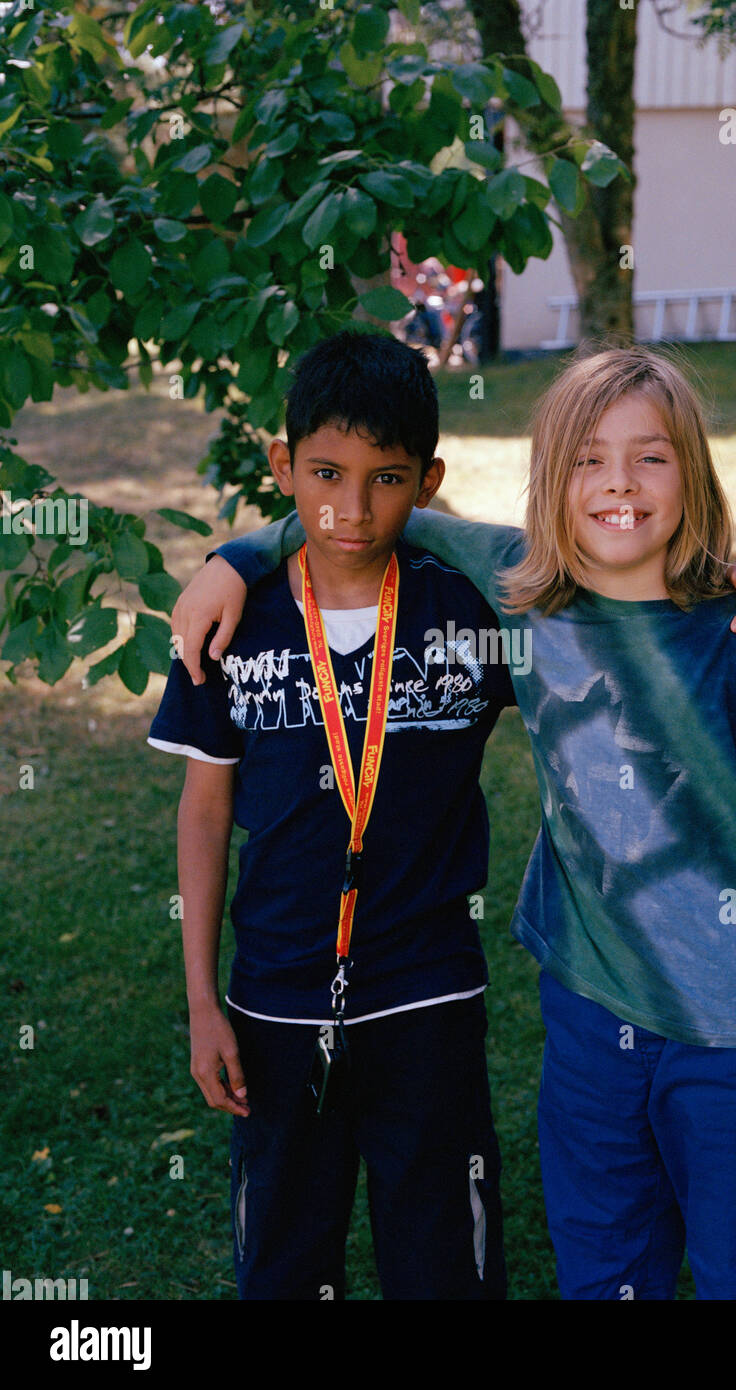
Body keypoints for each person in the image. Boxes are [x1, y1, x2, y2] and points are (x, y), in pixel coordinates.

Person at [171, 343, 736, 1302]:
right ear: (547, 484)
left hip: (732, 1035)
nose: (617, 485)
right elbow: (375, 511)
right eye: (585, 460)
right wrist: (238, 556)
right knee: (604, 1264)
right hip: (587, 1015)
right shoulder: (527, 587)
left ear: (694, 468)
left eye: (651, 457)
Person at [148, 329, 520, 1300]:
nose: (351, 508)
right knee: (281, 1258)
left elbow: (615, 584)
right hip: (272, 993)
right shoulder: (230, 618)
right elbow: (203, 811)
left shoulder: (469, 611)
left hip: (428, 989)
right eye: (324, 473)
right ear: (282, 465)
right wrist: (202, 1002)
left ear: (428, 480)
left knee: (443, 1259)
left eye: (388, 479)